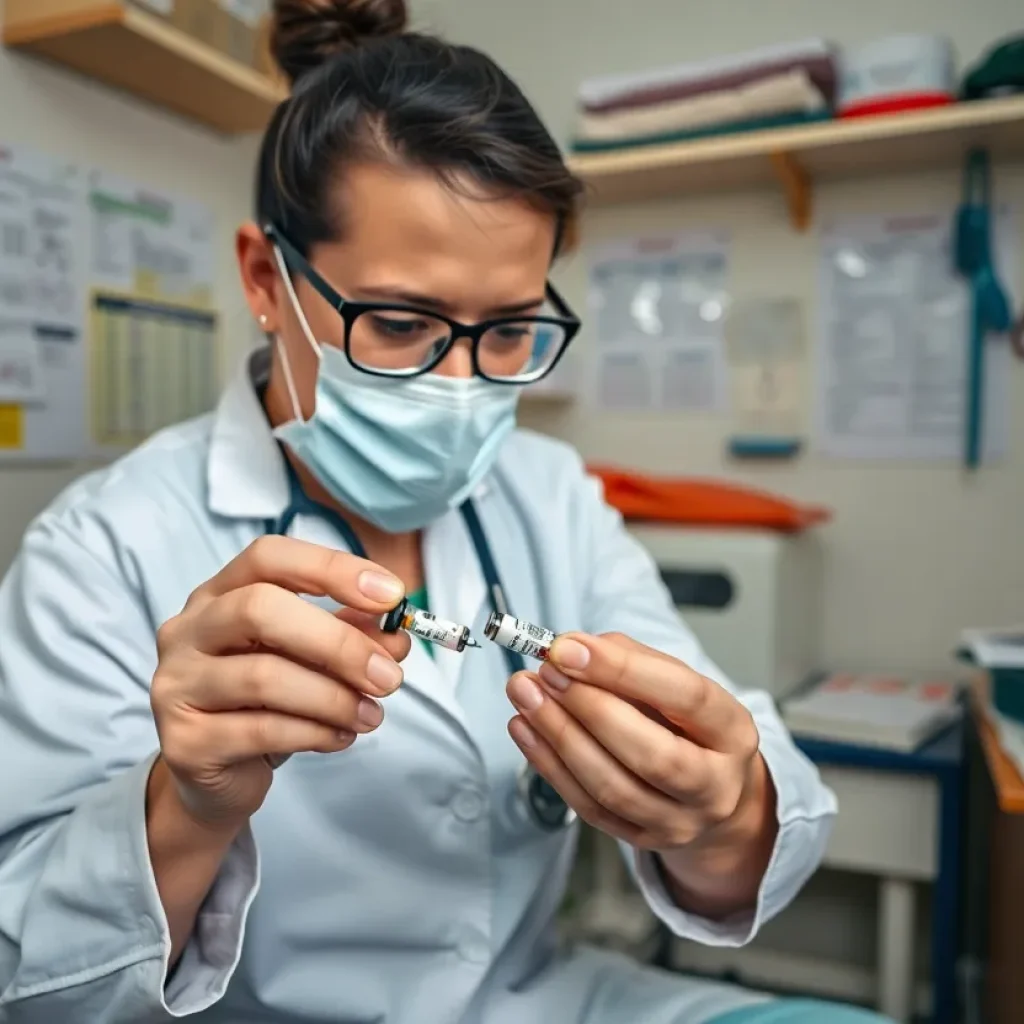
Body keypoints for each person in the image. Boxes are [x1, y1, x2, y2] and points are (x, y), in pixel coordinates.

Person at [0, 3, 890, 1023]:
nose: (461, 384)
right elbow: (32, 983)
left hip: (542, 1000)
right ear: (265, 278)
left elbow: (735, 791)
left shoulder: (549, 492)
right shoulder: (107, 543)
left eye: (509, 331)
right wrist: (185, 805)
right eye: (399, 322)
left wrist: (720, 814)